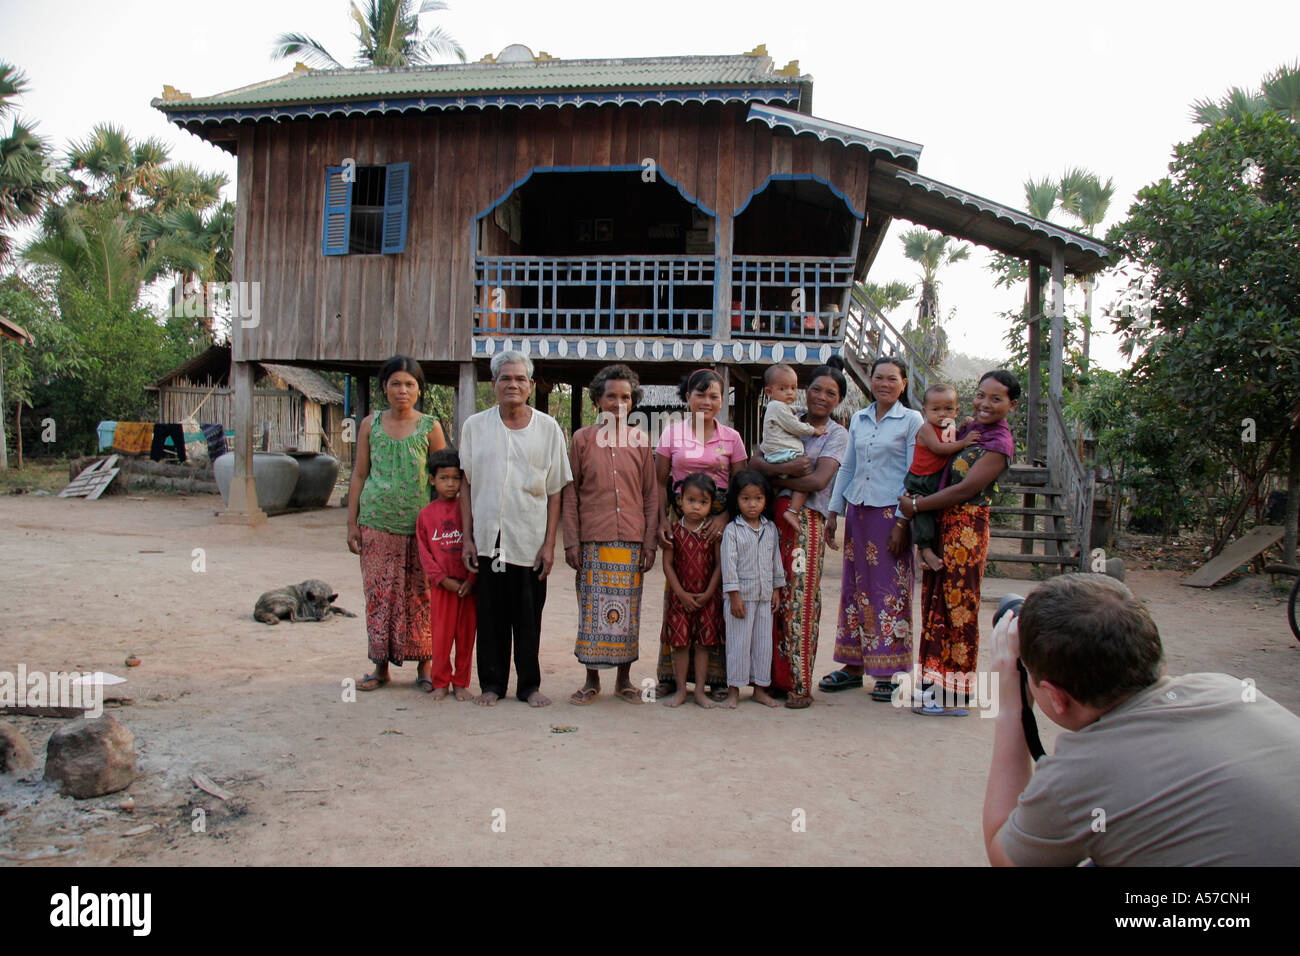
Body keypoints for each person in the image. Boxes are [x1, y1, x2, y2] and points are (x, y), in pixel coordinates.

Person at [984, 574, 1300, 866]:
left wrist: (1010, 707)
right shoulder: (1225, 687)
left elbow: (1007, 856)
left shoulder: (1080, 774)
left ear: (1056, 697)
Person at [898, 370, 1018, 715]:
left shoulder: (999, 444)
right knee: (938, 603)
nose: (985, 403)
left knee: (959, 607)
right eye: (981, 395)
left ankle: (955, 690)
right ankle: (934, 682)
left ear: (1012, 404)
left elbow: (966, 489)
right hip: (943, 525)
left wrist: (917, 506)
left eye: (996, 398)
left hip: (966, 531)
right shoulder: (970, 430)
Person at [459, 350, 572, 707]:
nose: (513, 384)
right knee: (490, 615)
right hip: (490, 541)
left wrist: (550, 544)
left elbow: (555, 490)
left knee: (528, 617)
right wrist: (467, 537)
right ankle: (491, 684)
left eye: (520, 378)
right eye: (505, 378)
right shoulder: (475, 426)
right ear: (493, 384)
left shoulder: (548, 429)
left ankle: (529, 686)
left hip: (529, 539)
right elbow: (466, 484)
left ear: (531, 385)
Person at [748, 357, 848, 709]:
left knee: (800, 596)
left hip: (806, 522)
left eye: (830, 393)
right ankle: (771, 679)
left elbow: (819, 481)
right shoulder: (786, 418)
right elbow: (754, 462)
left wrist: (777, 475)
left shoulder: (837, 434)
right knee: (770, 597)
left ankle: (799, 683)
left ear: (838, 400)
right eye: (816, 389)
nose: (821, 396)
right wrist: (787, 471)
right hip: (773, 519)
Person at [821, 357, 923, 701]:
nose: (883, 383)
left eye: (891, 379)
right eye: (879, 377)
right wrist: (834, 511)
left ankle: (890, 670)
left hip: (889, 517)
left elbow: (914, 472)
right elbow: (848, 466)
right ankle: (853, 667)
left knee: (890, 591)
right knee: (855, 588)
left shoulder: (911, 420)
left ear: (903, 384)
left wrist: (901, 521)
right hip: (859, 515)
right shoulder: (860, 419)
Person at [347, 355, 447, 692]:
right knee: (379, 595)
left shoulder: (430, 427)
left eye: (409, 384)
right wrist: (352, 524)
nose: (402, 390)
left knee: (422, 596)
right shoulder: (369, 425)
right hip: (376, 523)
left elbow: (444, 477)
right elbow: (360, 473)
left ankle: (425, 666)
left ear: (419, 389)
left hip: (420, 528)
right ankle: (380, 667)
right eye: (395, 384)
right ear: (384, 389)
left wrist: (444, 529)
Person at [562, 363, 659, 706]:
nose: (619, 403)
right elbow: (570, 493)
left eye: (626, 397)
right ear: (597, 401)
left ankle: (624, 680)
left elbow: (650, 494)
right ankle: (591, 680)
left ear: (633, 402)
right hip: (593, 540)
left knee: (627, 611)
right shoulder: (581, 440)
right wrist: (571, 541)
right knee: (591, 609)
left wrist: (649, 543)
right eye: (611, 397)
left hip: (630, 541)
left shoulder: (641, 441)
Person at [654, 368, 747, 699]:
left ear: (722, 400)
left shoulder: (732, 438)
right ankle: (671, 677)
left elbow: (740, 485)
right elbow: (659, 481)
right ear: (687, 397)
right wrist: (664, 521)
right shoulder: (672, 434)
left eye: (714, 395)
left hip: (718, 526)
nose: (707, 401)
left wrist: (723, 519)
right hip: (680, 525)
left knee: (717, 596)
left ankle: (717, 679)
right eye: (700, 394)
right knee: (677, 596)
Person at [720, 470, 785, 709]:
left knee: (762, 645)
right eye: (746, 498)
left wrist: (777, 589)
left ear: (765, 499)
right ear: (736, 500)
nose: (752, 504)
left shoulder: (769, 529)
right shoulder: (732, 531)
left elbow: (775, 560)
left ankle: (760, 689)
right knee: (738, 644)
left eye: (757, 498)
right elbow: (728, 565)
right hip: (741, 599)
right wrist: (733, 595)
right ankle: (734, 691)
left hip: (764, 597)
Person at [415, 448, 476, 701]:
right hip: (443, 590)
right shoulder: (426, 515)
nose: (450, 484)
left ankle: (461, 682)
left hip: (468, 588)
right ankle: (440, 682)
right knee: (440, 638)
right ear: (432, 480)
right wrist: (443, 580)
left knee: (465, 638)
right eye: (444, 478)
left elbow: (478, 545)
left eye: (455, 478)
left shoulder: (470, 512)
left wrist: (472, 580)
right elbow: (425, 554)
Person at [660, 472, 725, 709]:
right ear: (681, 500)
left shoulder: (713, 533)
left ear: (711, 504)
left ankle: (699, 691)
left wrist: (708, 593)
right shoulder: (674, 532)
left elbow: (719, 565)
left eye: (703, 502)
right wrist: (680, 594)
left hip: (707, 598)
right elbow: (667, 564)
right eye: (691, 500)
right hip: (680, 599)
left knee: (703, 645)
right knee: (680, 644)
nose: (696, 507)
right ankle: (680, 691)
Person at [906, 384, 979, 572]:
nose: (942, 414)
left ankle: (926, 550)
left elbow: (951, 439)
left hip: (937, 477)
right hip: (921, 479)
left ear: (956, 411)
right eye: (935, 409)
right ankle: (925, 549)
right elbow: (939, 448)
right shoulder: (927, 428)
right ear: (925, 411)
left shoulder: (949, 426)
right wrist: (963, 442)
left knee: (933, 512)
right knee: (922, 512)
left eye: (948, 409)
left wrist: (963, 426)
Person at [757, 363, 826, 532]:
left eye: (793, 388)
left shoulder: (778, 407)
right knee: (805, 474)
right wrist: (814, 430)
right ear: (769, 392)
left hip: (775, 455)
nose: (790, 392)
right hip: (784, 455)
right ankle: (793, 511)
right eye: (783, 388)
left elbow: (791, 411)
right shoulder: (777, 407)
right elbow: (795, 426)